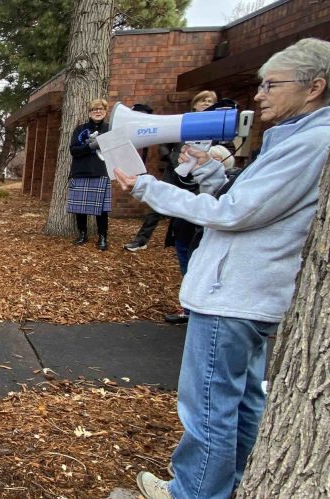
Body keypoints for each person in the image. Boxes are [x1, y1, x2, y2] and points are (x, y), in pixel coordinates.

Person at [115, 38, 330, 499]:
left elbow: (234, 214)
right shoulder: (298, 138)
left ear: (315, 87)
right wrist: (207, 171)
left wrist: (147, 187)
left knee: (208, 406)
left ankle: (193, 493)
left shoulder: (312, 142)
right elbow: (249, 204)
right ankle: (233, 482)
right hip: (248, 293)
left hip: (235, 293)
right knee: (244, 399)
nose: (260, 95)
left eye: (272, 84)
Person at [123, 91, 218, 252]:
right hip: (174, 171)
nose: (206, 103)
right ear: (195, 104)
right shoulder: (183, 123)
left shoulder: (217, 126)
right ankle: (141, 240)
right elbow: (164, 143)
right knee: (156, 205)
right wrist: (172, 159)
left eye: (210, 101)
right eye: (203, 100)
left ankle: (186, 242)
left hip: (199, 174)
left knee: (196, 207)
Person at [162, 145, 235, 326]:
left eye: (217, 160)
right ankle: (188, 310)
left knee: (198, 272)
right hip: (185, 233)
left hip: (202, 237)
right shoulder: (194, 180)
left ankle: (196, 311)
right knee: (187, 270)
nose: (211, 164)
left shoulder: (231, 182)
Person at [67, 99, 112, 251]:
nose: (97, 112)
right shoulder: (80, 129)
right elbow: (74, 150)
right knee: (80, 208)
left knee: (102, 209)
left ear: (105, 111)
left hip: (101, 171)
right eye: (94, 110)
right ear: (89, 113)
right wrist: (89, 146)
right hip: (80, 171)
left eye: (101, 109)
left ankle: (103, 236)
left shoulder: (110, 129)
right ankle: (82, 234)